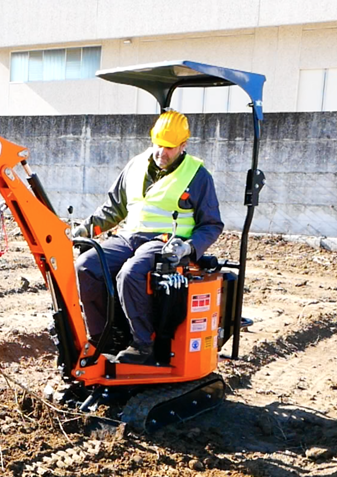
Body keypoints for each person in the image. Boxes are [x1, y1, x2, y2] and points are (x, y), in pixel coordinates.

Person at [72, 109, 224, 364]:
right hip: (128, 237)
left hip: (164, 242)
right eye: (158, 145)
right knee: (86, 266)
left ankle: (143, 345)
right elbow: (114, 208)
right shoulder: (135, 165)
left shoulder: (197, 176)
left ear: (183, 146)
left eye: (169, 148)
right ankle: (102, 338)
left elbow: (211, 224)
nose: (161, 153)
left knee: (130, 274)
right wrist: (85, 230)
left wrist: (188, 248)